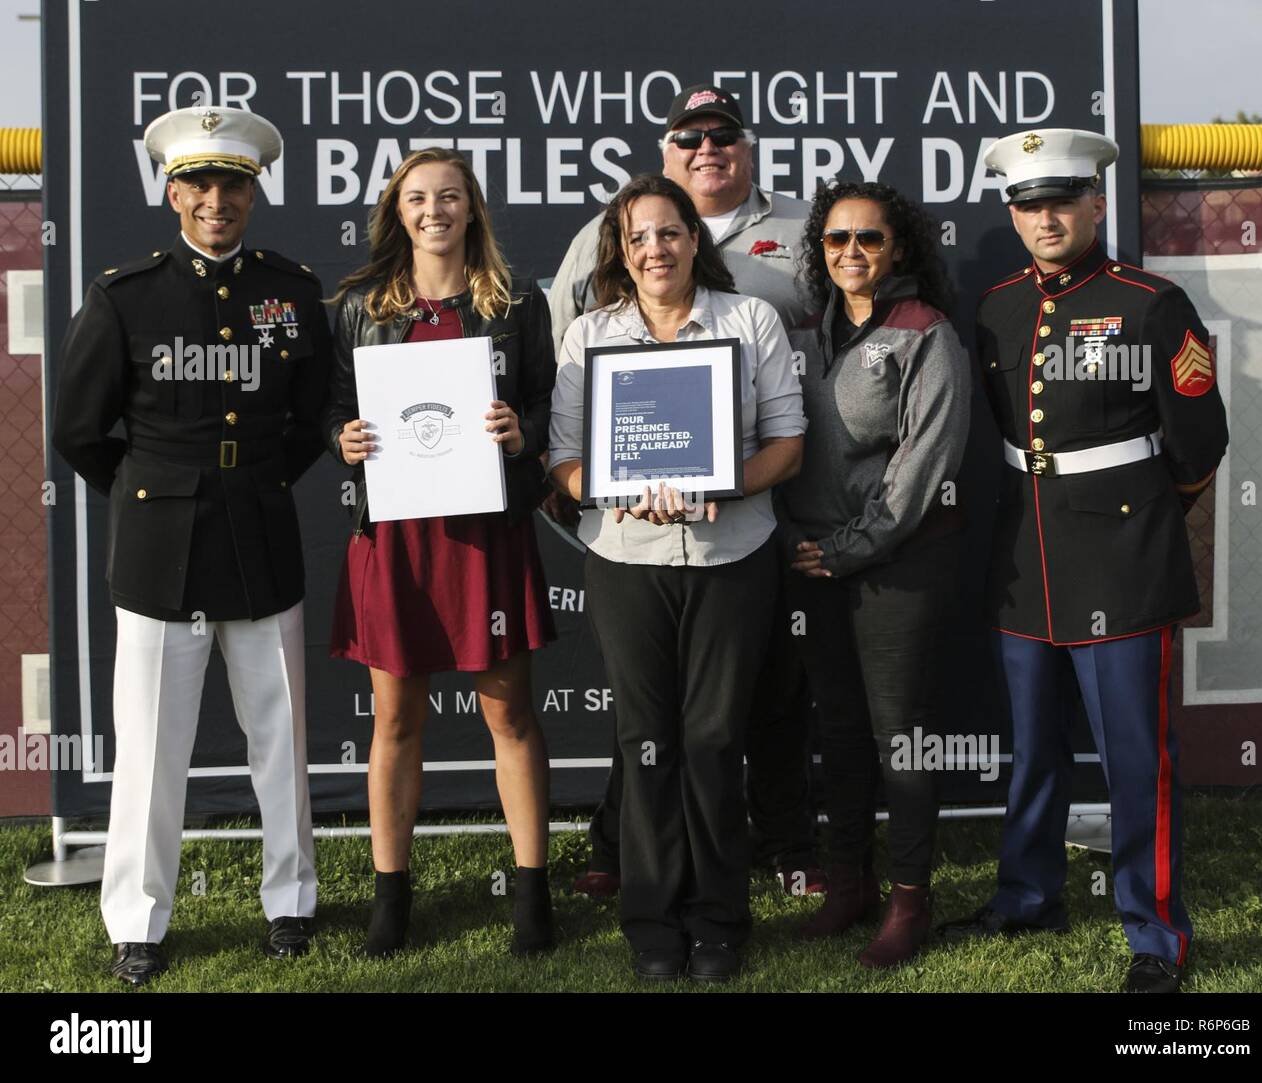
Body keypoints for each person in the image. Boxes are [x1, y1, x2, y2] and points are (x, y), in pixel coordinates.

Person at [936, 129, 1229, 993]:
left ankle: (1155, 931)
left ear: (1096, 203)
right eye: (1028, 204)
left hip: (1123, 563)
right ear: (1013, 215)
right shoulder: (995, 307)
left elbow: (1199, 442)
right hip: (1025, 561)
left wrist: (1139, 522)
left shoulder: (1151, 304)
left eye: (1061, 200)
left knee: (1136, 758)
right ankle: (1029, 895)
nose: (1046, 218)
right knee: (1033, 750)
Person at [52, 106, 329, 985]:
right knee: (150, 749)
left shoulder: (291, 291)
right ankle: (138, 921)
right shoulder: (124, 295)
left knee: (281, 736)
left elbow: (311, 418)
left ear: (254, 193)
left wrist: (253, 478)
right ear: (172, 193)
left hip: (260, 534)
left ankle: (291, 901)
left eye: (234, 184)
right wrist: (156, 494)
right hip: (157, 547)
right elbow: (78, 430)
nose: (218, 200)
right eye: (200, 183)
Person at [549, 83, 823, 900]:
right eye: (689, 137)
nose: (707, 148)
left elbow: (826, 363)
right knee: (649, 721)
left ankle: (765, 858)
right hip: (635, 535)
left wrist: (725, 482)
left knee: (753, 702)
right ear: (667, 151)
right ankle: (639, 872)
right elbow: (566, 388)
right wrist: (605, 487)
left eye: (722, 134)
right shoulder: (598, 293)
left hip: (767, 514)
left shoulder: (801, 235)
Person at [323, 148, 558, 958]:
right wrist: (341, 437)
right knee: (395, 719)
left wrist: (523, 430)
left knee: (510, 714)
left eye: (450, 196)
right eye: (418, 197)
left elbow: (546, 400)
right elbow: (331, 408)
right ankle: (391, 897)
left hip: (486, 533)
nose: (435, 211)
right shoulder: (359, 305)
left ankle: (531, 893)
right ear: (397, 211)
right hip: (395, 535)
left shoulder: (516, 302)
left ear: (472, 208)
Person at [776, 182, 970, 967]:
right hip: (812, 562)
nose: (851, 252)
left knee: (903, 738)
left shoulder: (927, 332)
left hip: (896, 564)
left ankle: (910, 899)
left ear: (900, 247)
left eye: (869, 238)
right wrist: (798, 539)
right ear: (819, 248)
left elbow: (924, 466)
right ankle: (848, 884)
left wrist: (851, 546)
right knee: (840, 730)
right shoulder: (799, 331)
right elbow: (773, 440)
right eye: (836, 238)